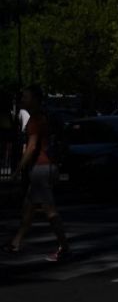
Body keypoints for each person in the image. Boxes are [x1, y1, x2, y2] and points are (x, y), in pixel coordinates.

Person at [3, 87, 68, 261]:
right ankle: (16, 242)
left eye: (25, 96)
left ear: (35, 100)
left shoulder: (35, 120)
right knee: (29, 208)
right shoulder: (42, 117)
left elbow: (31, 147)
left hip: (41, 168)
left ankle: (64, 247)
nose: (22, 99)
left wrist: (17, 170)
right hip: (45, 167)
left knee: (50, 210)